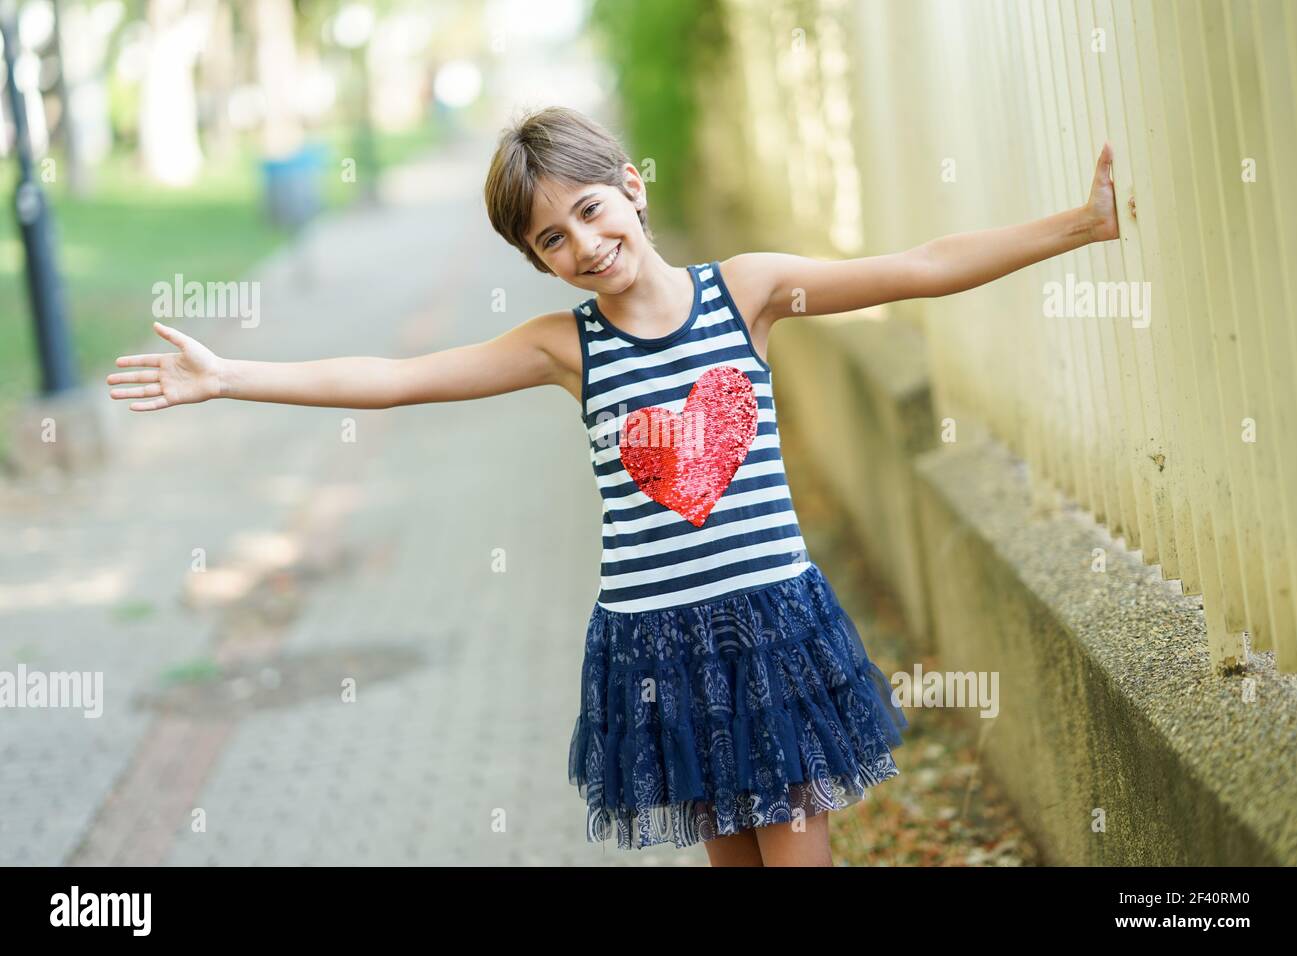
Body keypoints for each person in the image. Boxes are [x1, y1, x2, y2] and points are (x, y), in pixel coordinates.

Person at [106, 105, 1120, 866]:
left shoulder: (748, 292)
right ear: (536, 261)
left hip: (768, 630)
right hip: (657, 644)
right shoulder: (564, 347)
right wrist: (230, 375)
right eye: (552, 239)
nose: (585, 244)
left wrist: (1078, 227)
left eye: (589, 210)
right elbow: (395, 379)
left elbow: (918, 265)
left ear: (630, 186)